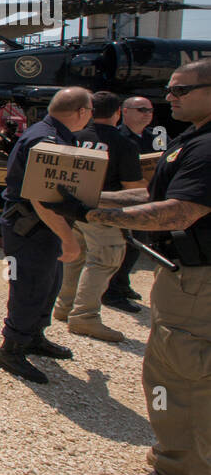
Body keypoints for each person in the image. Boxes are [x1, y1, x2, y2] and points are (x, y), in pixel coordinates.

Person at [49, 60, 211, 475]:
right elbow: (151, 197)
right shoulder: (193, 139)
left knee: (176, 379)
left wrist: (96, 216)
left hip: (197, 282)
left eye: (181, 90)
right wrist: (92, 203)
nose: (170, 97)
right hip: (190, 276)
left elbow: (178, 213)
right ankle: (190, 463)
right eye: (170, 89)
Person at [0, 88, 93, 384]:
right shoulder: (46, 139)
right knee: (29, 286)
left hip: (40, 227)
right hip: (31, 227)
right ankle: (10, 349)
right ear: (82, 112)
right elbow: (42, 198)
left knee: (49, 284)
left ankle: (33, 337)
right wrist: (69, 239)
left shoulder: (51, 133)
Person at [52, 90, 145, 338]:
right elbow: (133, 189)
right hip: (104, 211)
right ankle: (85, 316)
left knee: (75, 257)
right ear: (117, 113)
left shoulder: (73, 136)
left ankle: (64, 307)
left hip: (71, 207)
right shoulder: (123, 144)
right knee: (104, 261)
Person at [104, 95, 160, 307]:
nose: (147, 114)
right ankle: (111, 291)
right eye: (141, 110)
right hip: (122, 198)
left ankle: (121, 282)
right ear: (124, 111)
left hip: (146, 199)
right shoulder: (117, 138)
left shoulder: (155, 137)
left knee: (139, 244)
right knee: (125, 245)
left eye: (150, 110)